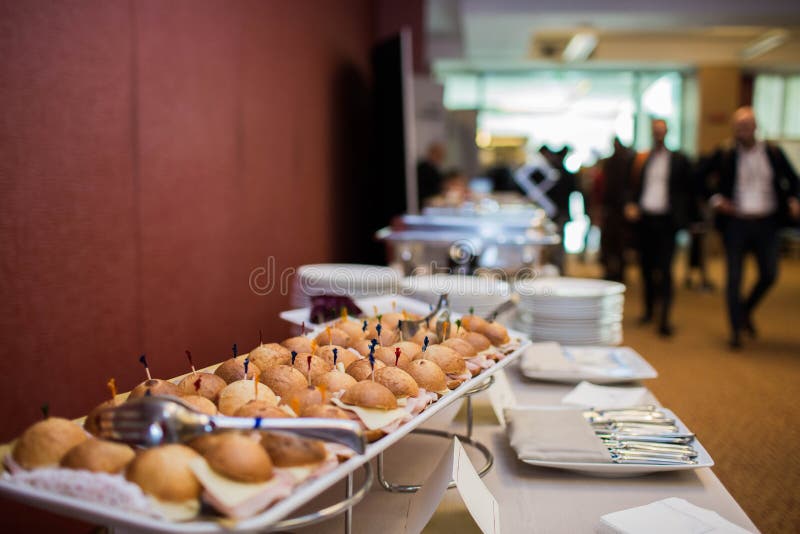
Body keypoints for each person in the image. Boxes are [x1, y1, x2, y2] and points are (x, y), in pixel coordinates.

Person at [706, 106, 800, 349]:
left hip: (767, 222)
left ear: (755, 127)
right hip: (737, 223)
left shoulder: (773, 152)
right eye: (739, 127)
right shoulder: (726, 153)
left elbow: (794, 181)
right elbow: (699, 178)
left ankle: (745, 310)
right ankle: (735, 331)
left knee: (769, 274)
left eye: (747, 126)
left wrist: (793, 200)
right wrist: (716, 199)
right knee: (734, 278)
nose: (743, 131)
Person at [624, 119, 691, 337]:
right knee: (645, 268)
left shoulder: (678, 159)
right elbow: (632, 185)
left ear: (667, 133)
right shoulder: (642, 159)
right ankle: (649, 310)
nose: (658, 135)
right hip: (645, 219)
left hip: (667, 222)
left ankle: (664, 318)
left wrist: (683, 217)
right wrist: (631, 204)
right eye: (655, 132)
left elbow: (687, 190)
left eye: (661, 131)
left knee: (665, 269)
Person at [600, 138, 635, 282]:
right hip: (612, 209)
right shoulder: (613, 162)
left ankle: (618, 272)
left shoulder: (625, 162)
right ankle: (612, 271)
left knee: (618, 245)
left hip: (619, 210)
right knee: (610, 245)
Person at [416, 142, 446, 208]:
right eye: (438, 155)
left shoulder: (434, 169)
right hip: (423, 204)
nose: (441, 158)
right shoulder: (422, 169)